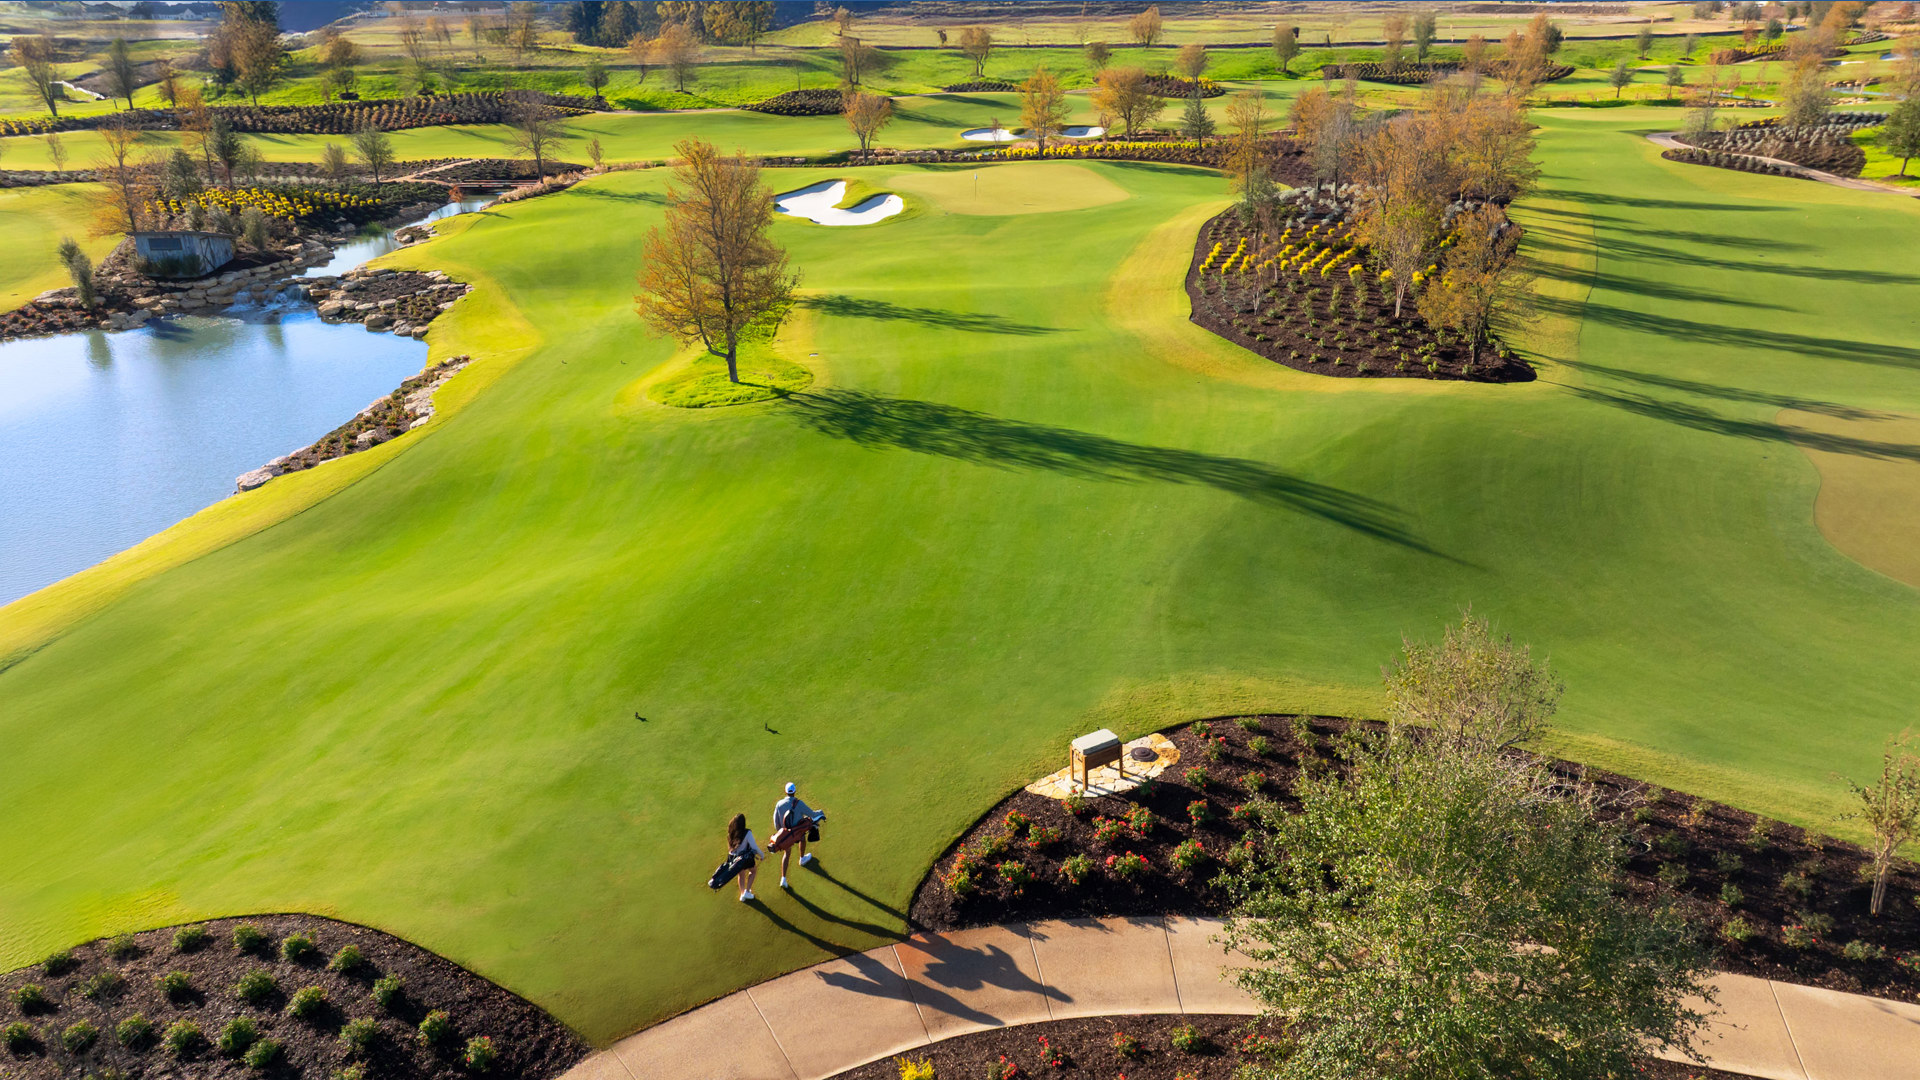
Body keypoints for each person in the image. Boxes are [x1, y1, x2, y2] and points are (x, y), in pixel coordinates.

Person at [770, 781, 823, 889]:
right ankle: (802, 859)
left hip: (786, 835)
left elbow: (776, 822)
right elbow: (812, 814)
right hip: (798, 833)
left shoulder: (779, 804)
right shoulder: (799, 803)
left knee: (787, 854)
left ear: (785, 792)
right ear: (794, 792)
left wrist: (781, 833)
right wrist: (821, 812)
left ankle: (783, 879)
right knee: (803, 840)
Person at [725, 813, 766, 902]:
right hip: (744, 858)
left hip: (734, 858)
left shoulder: (731, 832)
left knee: (741, 875)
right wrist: (762, 855)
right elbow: (754, 847)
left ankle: (742, 894)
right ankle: (747, 891)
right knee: (753, 871)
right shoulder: (747, 833)